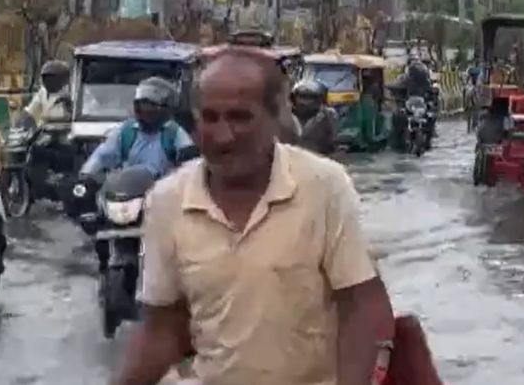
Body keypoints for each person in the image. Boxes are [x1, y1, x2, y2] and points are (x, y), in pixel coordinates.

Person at [113, 49, 392, 385]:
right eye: (210, 118)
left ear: (275, 118)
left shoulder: (324, 186)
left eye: (240, 117)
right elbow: (162, 329)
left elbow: (360, 309)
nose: (223, 136)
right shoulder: (166, 201)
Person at [80, 77, 196, 180]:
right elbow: (102, 155)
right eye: (141, 104)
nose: (145, 110)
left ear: (166, 108)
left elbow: (190, 162)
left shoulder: (173, 133)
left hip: (163, 191)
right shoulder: (126, 131)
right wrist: (87, 175)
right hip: (127, 192)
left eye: (150, 105)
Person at [291, 78, 338, 156]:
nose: (304, 102)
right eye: (301, 97)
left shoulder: (328, 114)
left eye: (310, 98)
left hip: (319, 157)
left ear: (319, 99)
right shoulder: (287, 114)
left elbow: (334, 139)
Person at [24, 60, 71, 124]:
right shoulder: (42, 92)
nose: (48, 82)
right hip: (45, 127)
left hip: (65, 127)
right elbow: (31, 112)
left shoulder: (70, 93)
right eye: (46, 79)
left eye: (51, 79)